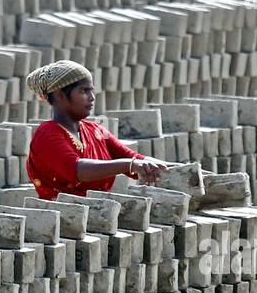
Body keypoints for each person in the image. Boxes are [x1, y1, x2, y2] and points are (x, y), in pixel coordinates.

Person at [25, 60, 170, 200]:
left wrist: (171, 168)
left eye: (92, 91)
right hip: (61, 218)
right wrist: (130, 165)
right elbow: (77, 169)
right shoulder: (47, 133)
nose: (92, 97)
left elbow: (132, 157)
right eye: (83, 91)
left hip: (100, 215)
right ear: (60, 95)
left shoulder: (95, 131)